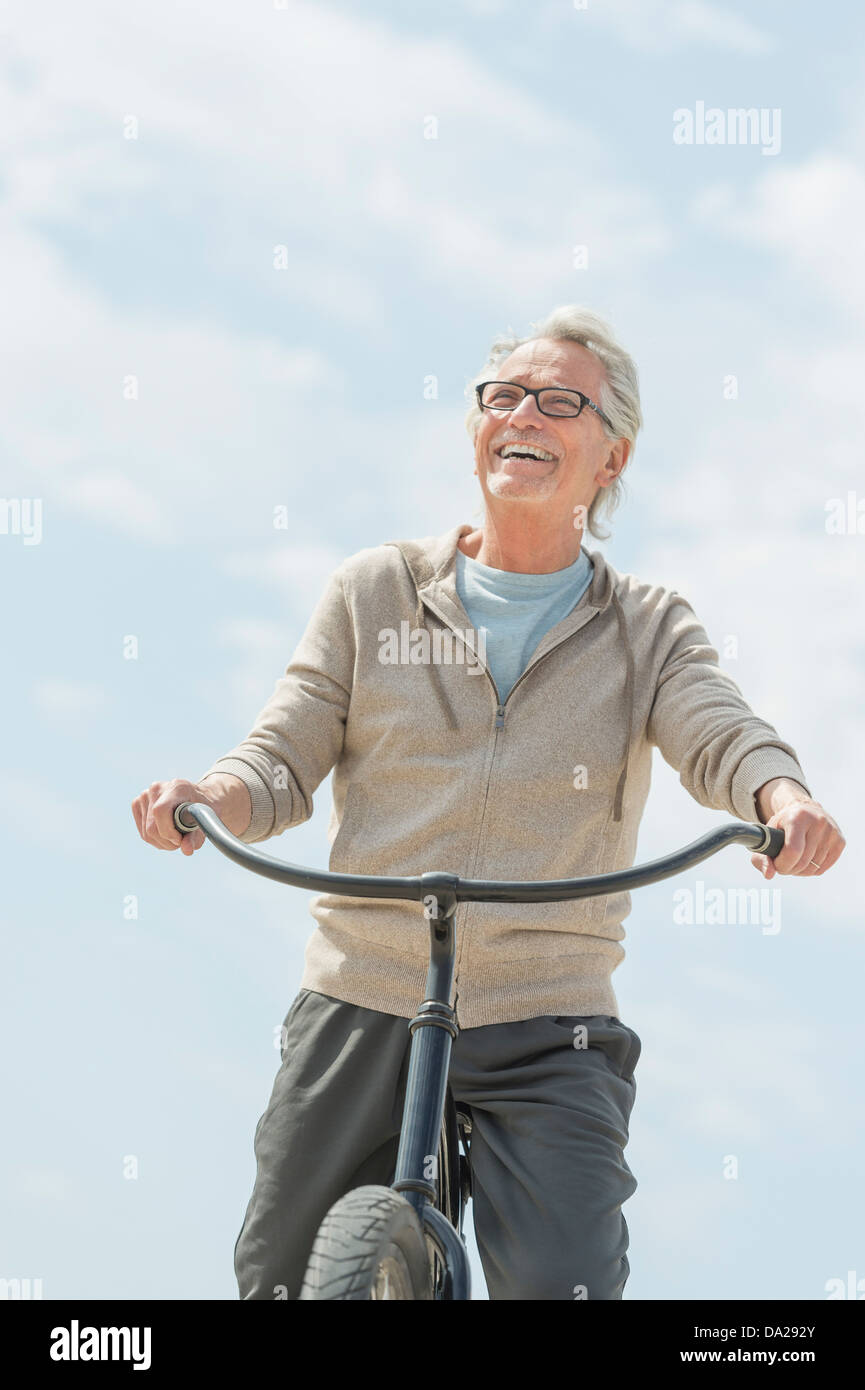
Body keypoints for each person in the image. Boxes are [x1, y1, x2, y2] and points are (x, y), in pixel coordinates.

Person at [132, 305, 845, 1300]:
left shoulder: (644, 627)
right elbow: (283, 751)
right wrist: (210, 795)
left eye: (561, 402)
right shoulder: (376, 591)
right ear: (476, 428)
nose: (524, 414)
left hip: (549, 1020)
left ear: (611, 457)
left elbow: (720, 729)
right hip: (362, 994)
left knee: (566, 1282)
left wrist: (783, 797)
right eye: (504, 395)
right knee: (281, 1279)